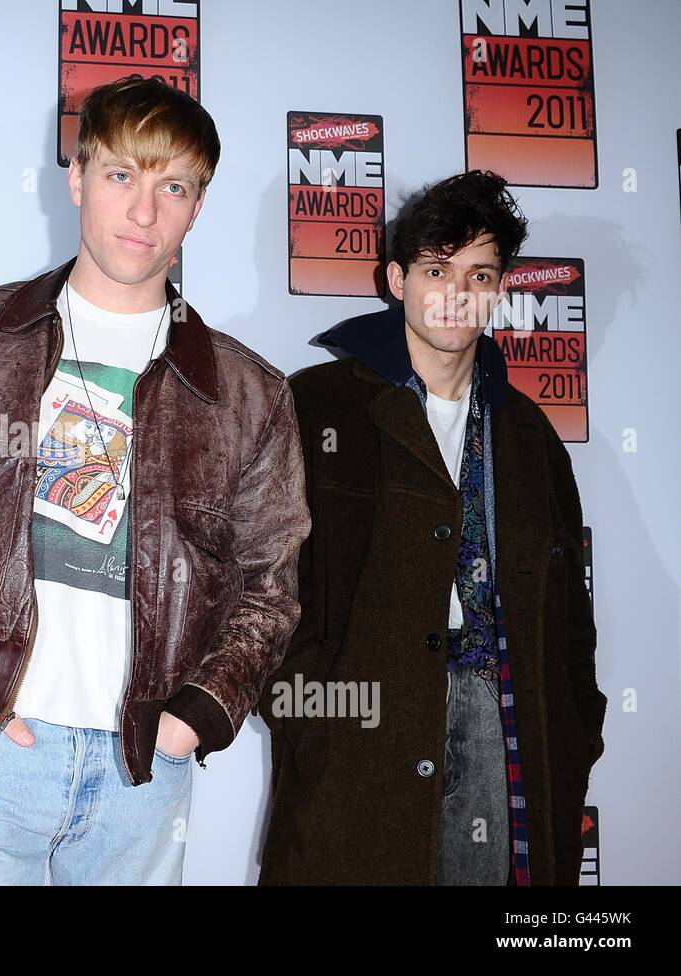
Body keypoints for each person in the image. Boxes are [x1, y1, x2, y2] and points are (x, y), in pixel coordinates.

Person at [0, 77, 309, 885]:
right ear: (77, 177)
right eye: (121, 175)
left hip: (144, 768)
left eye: (173, 186)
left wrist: (196, 716)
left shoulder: (248, 392)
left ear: (197, 207)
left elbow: (269, 583)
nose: (143, 211)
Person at [260, 171, 606, 884]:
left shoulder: (529, 435)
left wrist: (575, 726)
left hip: (498, 712)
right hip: (361, 719)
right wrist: (304, 702)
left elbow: (572, 608)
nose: (456, 293)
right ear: (397, 278)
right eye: (437, 269)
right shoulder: (318, 405)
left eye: (479, 274)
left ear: (500, 288)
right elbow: (262, 571)